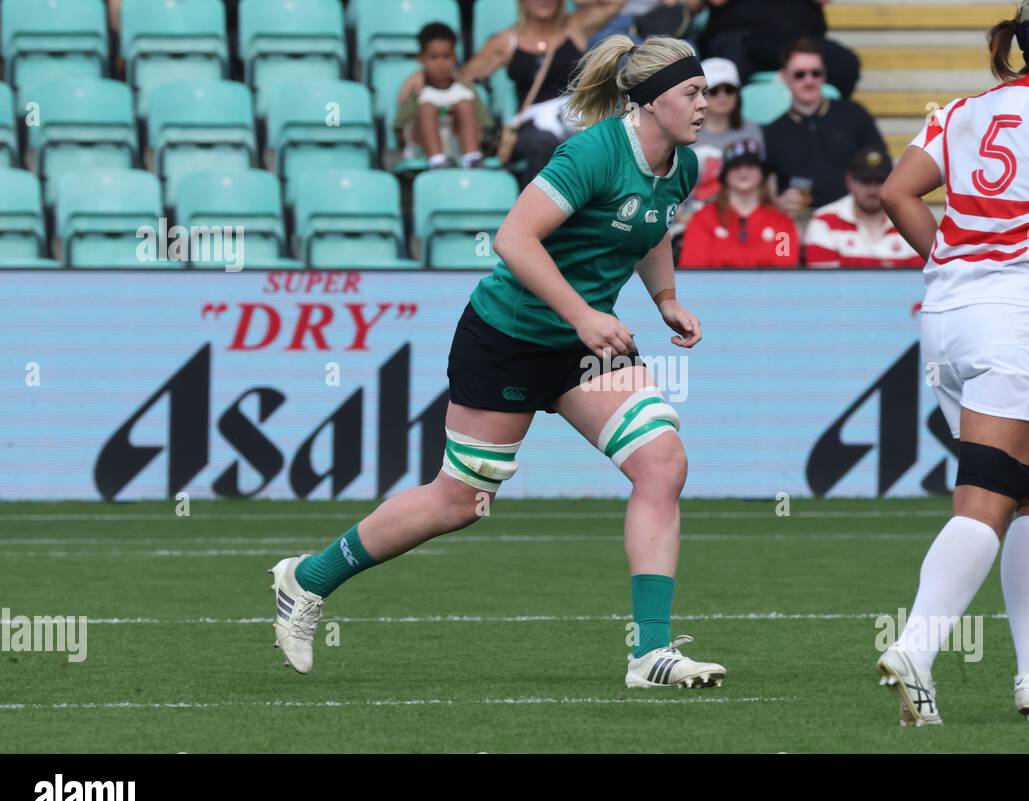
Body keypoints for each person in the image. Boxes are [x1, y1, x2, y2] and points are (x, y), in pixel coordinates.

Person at [270, 35, 728, 690]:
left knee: (663, 462)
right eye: (692, 91)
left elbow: (650, 231)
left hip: (584, 347)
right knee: (459, 502)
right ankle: (306, 579)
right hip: (508, 336)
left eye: (705, 91)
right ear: (650, 100)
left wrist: (667, 298)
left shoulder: (681, 164)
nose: (704, 104)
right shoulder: (593, 153)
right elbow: (514, 239)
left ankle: (650, 654)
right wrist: (583, 314)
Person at [877, 0, 1029, 726]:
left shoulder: (962, 108)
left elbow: (898, 191)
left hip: (947, 322)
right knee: (986, 498)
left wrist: (961, 263)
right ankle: (917, 647)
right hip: (1019, 326)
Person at [457, 0, 622, 186]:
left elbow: (615, 4)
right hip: (531, 123)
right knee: (543, 144)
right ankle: (537, 211)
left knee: (600, 140)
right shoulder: (506, 41)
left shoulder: (575, 27)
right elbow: (463, 77)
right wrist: (423, 76)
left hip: (576, 117)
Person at [764, 38, 885, 225]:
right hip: (800, 222)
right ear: (784, 77)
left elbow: (881, 163)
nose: (809, 80)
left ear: (825, 74)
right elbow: (761, 189)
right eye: (799, 74)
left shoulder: (854, 115)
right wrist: (778, 203)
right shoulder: (772, 131)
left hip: (854, 218)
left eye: (816, 73)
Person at [699, 0, 861, 98]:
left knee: (845, 64)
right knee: (726, 65)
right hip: (743, 37)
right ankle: (735, 128)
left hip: (801, 38)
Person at [679, 138, 799, 268]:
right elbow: (693, 272)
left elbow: (786, 273)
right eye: (735, 166)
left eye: (751, 165)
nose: (743, 172)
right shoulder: (703, 220)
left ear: (762, 173)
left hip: (767, 288)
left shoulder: (782, 223)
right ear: (725, 174)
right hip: (716, 288)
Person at [804, 147, 923, 268]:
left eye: (880, 181)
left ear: (893, 181)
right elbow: (823, 283)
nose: (872, 189)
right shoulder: (825, 222)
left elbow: (920, 281)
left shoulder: (911, 221)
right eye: (865, 181)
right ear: (849, 181)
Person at [394, 23, 485, 167]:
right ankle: (436, 159)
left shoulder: (466, 90)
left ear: (455, 57)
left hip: (456, 145)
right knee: (427, 107)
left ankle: (471, 156)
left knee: (464, 105)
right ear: (421, 58)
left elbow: (484, 124)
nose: (440, 63)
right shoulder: (416, 89)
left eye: (446, 56)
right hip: (421, 147)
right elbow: (400, 126)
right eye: (433, 57)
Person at [688, 57, 765, 206]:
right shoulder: (682, 132)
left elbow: (760, 180)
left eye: (729, 89)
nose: (722, 96)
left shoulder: (752, 131)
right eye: (714, 91)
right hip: (689, 218)